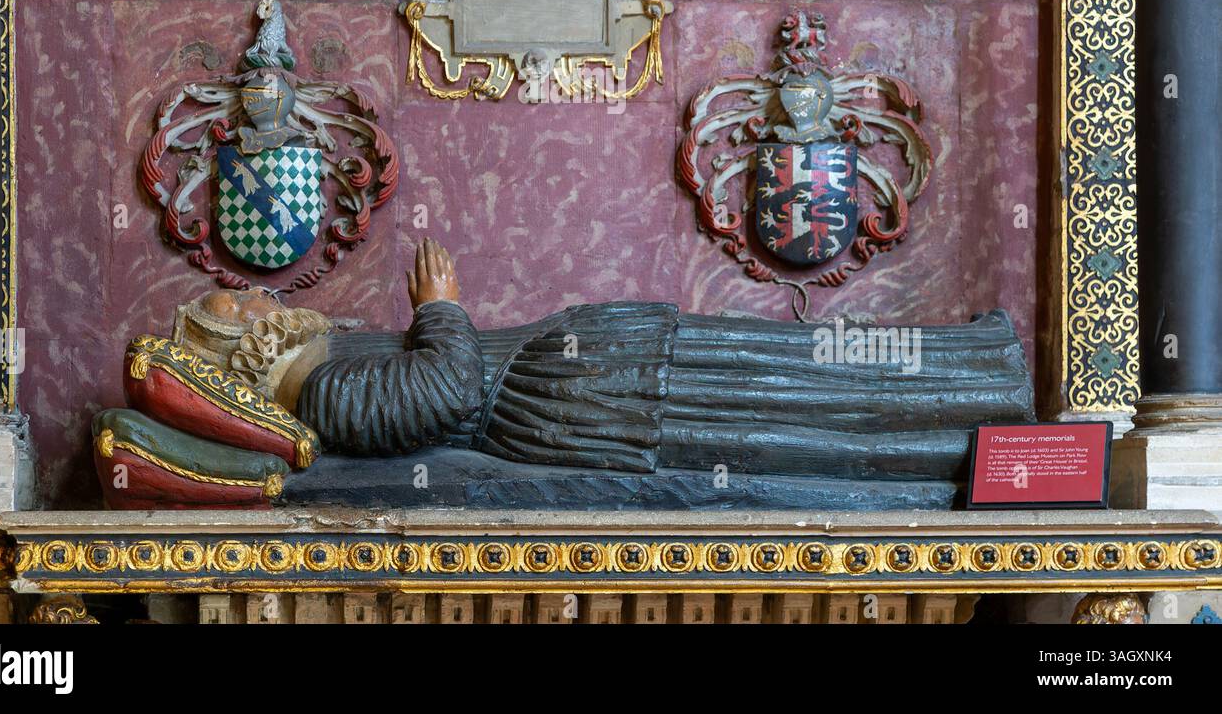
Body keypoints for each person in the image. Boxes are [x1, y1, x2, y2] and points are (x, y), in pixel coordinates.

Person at [268, 239, 1034, 483]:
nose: (251, 301)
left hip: (582, 370)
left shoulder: (318, 359)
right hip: (571, 401)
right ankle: (970, 423)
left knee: (791, 361)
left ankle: (974, 366)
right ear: (241, 355)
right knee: (783, 399)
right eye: (230, 314)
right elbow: (445, 388)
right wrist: (439, 303)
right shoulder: (311, 389)